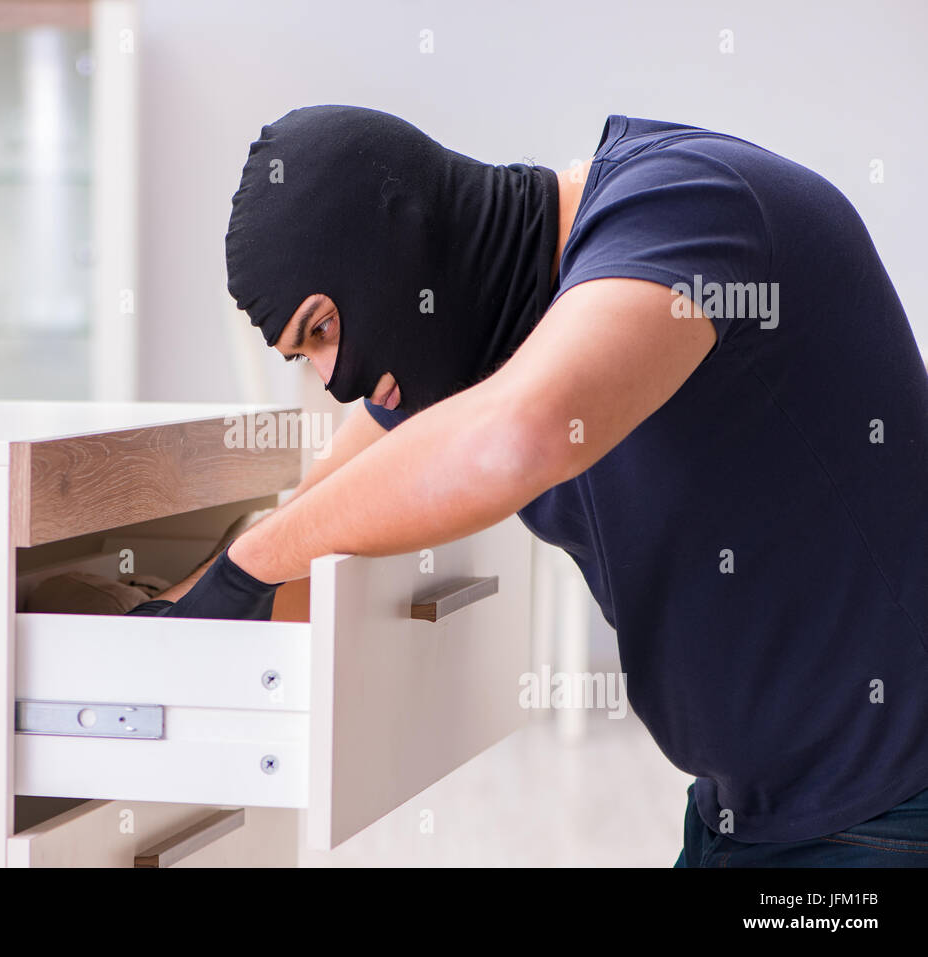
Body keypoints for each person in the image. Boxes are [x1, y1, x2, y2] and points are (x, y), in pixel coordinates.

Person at [130, 105, 928, 866]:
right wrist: (170, 614)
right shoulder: (475, 341)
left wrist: (250, 567)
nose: (335, 380)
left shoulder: (685, 203)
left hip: (891, 810)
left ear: (400, 247)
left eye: (323, 329)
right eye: (302, 354)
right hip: (750, 816)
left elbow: (514, 439)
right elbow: (314, 514)